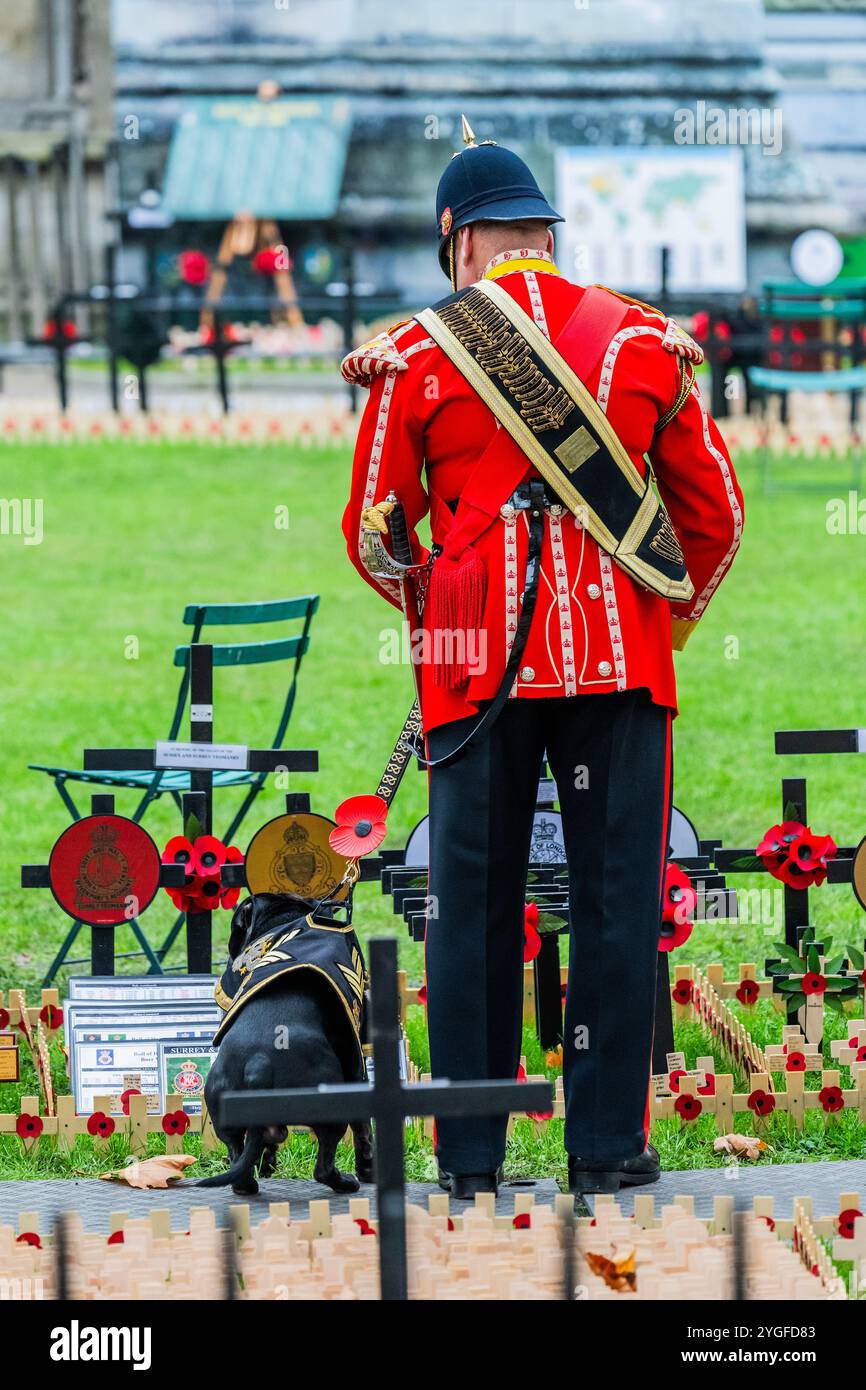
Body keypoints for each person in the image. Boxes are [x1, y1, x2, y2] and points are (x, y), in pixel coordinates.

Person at [341, 117, 744, 1198]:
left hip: (477, 671)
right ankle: (605, 1149)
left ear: (458, 240)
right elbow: (716, 518)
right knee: (616, 901)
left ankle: (471, 1154)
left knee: (468, 909)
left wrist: (440, 622)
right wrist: (661, 627)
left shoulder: (418, 350)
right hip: (620, 664)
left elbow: (373, 531)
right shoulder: (639, 341)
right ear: (541, 235)